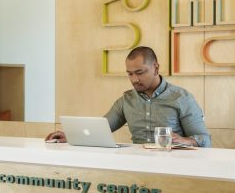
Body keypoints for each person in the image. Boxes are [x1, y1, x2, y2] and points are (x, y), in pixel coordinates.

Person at [47, 46, 211, 146]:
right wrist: (70, 135)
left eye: (140, 72)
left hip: (174, 165)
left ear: (156, 67)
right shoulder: (126, 100)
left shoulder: (181, 98)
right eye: (130, 74)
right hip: (135, 166)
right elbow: (101, 128)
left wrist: (186, 141)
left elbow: (205, 140)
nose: (134, 79)